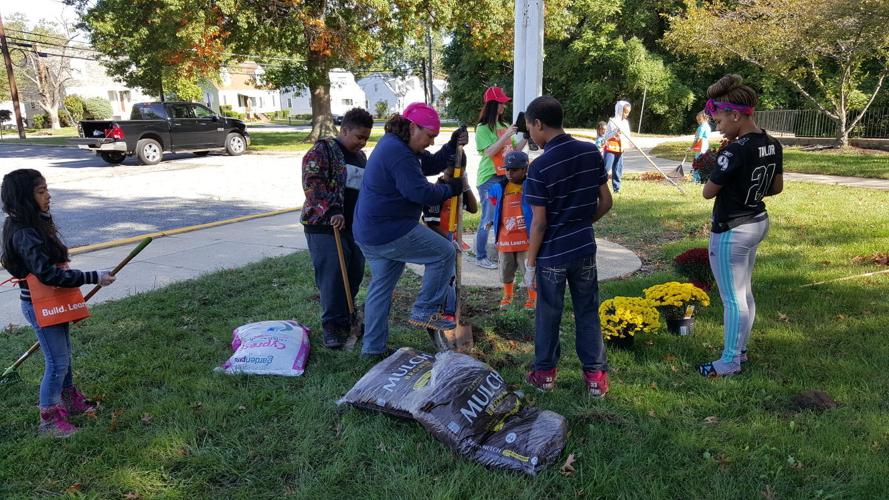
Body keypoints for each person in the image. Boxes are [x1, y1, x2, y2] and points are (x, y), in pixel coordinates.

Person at [1, 169, 116, 437]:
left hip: (54, 301)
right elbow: (48, 274)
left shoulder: (32, 223)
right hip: (41, 305)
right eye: (41, 192)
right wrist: (93, 276)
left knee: (63, 359)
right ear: (23, 198)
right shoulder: (23, 232)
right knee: (56, 362)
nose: (48, 196)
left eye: (46, 189)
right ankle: (49, 419)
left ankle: (69, 400)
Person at [353, 103, 469, 360]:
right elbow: (421, 193)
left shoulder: (400, 145)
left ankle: (372, 349)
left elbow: (431, 164)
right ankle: (425, 310)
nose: (430, 142)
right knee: (443, 252)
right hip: (388, 230)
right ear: (413, 127)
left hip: (372, 230)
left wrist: (451, 146)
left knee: (381, 287)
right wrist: (452, 188)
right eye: (429, 136)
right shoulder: (398, 152)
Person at [522, 96, 613, 397]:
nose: (530, 136)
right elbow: (606, 201)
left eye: (529, 128)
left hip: (552, 256)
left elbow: (538, 223)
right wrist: (583, 224)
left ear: (538, 124)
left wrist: (530, 263)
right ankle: (596, 378)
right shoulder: (591, 152)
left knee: (548, 312)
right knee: (587, 310)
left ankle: (544, 374)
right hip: (584, 248)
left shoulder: (540, 167)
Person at [698, 74, 783, 378]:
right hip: (758, 221)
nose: (716, 124)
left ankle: (730, 360)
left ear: (735, 115)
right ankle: (741, 351)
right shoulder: (771, 143)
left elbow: (708, 191)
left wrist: (719, 166)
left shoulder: (734, 150)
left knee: (732, 299)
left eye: (718, 118)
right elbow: (776, 187)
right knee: (744, 292)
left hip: (732, 228)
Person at [301, 108, 374, 349]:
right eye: (359, 137)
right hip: (324, 226)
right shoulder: (323, 150)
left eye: (366, 138)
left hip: (354, 227)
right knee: (333, 278)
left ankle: (346, 319)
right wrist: (331, 210)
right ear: (344, 130)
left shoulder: (360, 157)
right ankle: (331, 327)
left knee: (352, 275)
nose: (362, 142)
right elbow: (312, 183)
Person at [473, 86, 527, 270]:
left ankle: (502, 251)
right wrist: (508, 136)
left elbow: (514, 152)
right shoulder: (482, 128)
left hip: (505, 176)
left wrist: (525, 137)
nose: (504, 106)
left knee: (502, 217)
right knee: (488, 218)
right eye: (502, 103)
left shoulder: (504, 126)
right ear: (493, 105)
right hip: (489, 177)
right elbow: (489, 151)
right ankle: (480, 257)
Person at [422, 162, 478, 315]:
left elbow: (473, 209)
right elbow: (431, 223)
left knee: (452, 278)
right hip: (438, 242)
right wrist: (448, 241)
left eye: (459, 173)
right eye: (451, 173)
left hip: (452, 241)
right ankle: (442, 311)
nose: (454, 177)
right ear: (443, 169)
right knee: (443, 278)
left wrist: (466, 186)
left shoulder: (459, 192)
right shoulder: (435, 192)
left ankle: (451, 312)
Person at [486, 151, 536, 311]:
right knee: (506, 269)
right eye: (507, 169)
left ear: (525, 169)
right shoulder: (499, 187)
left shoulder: (531, 187)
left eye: (514, 170)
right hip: (505, 238)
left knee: (528, 269)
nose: (509, 173)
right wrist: (491, 221)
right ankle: (507, 296)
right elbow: (493, 203)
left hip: (526, 239)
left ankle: (533, 298)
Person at [602, 100, 632, 193]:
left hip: (620, 149)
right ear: (619, 110)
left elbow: (627, 136)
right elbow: (606, 136)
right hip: (610, 148)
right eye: (625, 112)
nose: (626, 114)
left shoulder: (625, 123)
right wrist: (615, 132)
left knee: (618, 169)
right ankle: (600, 186)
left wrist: (629, 142)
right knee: (606, 168)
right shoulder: (612, 121)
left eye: (628, 113)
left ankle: (617, 188)